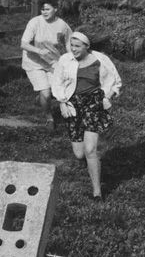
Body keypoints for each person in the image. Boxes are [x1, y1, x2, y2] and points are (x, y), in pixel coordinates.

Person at [51, 28, 122, 200]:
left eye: (77, 46)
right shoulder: (65, 60)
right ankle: (92, 165)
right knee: (79, 153)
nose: (73, 49)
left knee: (90, 150)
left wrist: (107, 96)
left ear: (87, 46)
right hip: (73, 106)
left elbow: (115, 81)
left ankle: (97, 192)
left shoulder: (100, 60)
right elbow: (57, 82)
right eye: (71, 45)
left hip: (93, 105)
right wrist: (61, 102)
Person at [21, 0, 72, 119]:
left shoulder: (62, 25)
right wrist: (38, 51)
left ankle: (40, 98)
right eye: (42, 9)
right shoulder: (35, 22)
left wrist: (71, 59)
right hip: (33, 61)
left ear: (55, 9)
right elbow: (23, 44)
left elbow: (69, 43)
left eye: (47, 9)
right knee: (46, 92)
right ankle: (49, 117)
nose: (44, 12)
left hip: (51, 62)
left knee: (59, 89)